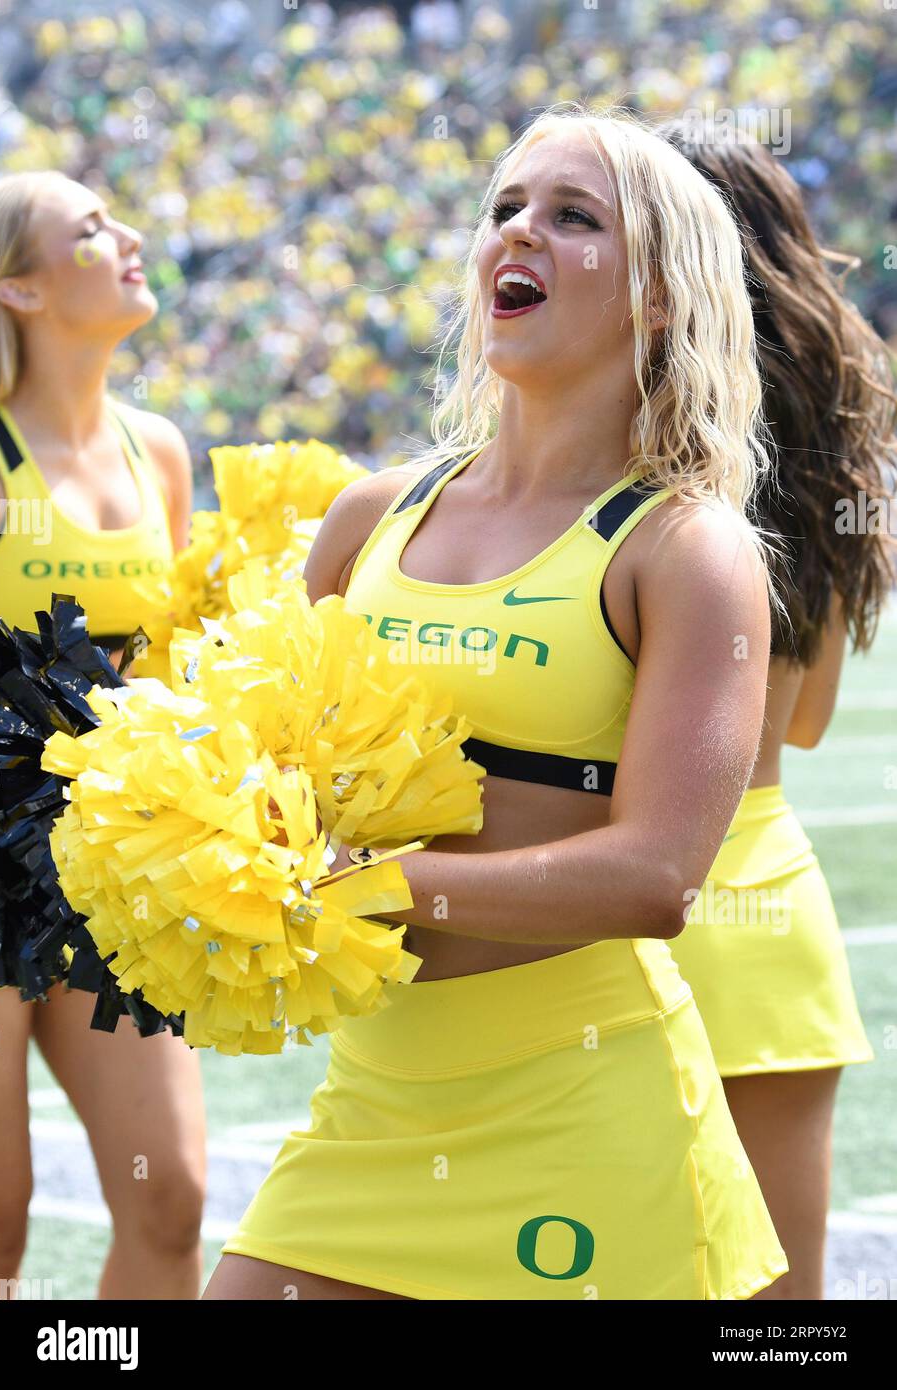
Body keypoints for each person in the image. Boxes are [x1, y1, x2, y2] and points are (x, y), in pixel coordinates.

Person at [205, 103, 789, 1301]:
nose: (518, 231)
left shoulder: (685, 550)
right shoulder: (375, 514)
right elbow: (252, 756)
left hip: (582, 1103)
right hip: (376, 1090)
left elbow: (656, 877)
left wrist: (383, 882)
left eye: (574, 217)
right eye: (505, 209)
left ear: (661, 294)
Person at [658, 121, 896, 1301]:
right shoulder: (826, 443)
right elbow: (797, 725)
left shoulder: (617, 458)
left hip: (598, 907)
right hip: (764, 904)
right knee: (774, 1317)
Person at [0, 170, 206, 1299]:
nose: (127, 237)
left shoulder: (156, 450)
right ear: (17, 288)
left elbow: (161, 668)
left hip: (104, 866)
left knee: (168, 1195)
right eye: (88, 229)